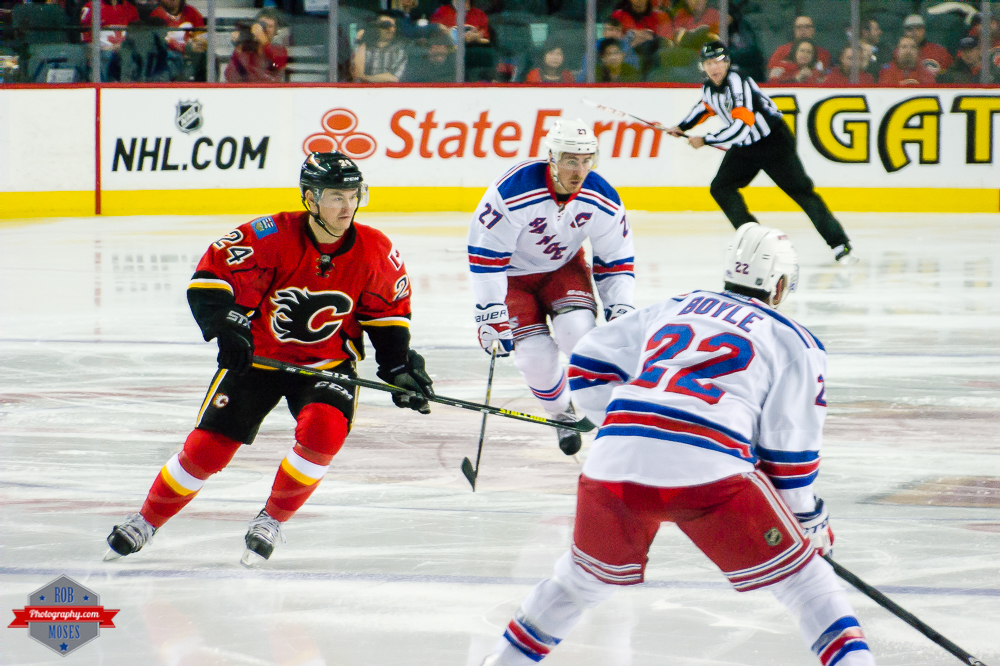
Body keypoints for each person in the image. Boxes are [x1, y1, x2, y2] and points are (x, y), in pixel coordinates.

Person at [479, 223, 876, 666]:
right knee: (805, 583)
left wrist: (623, 422)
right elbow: (790, 448)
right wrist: (807, 519)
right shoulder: (794, 340)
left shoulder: (676, 306)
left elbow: (588, 359)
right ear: (780, 285)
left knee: (578, 581)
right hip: (710, 470)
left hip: (614, 460)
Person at [104, 152, 435, 567]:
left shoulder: (376, 251)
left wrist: (399, 366)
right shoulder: (270, 235)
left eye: (353, 195)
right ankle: (146, 520)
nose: (347, 206)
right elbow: (212, 279)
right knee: (207, 449)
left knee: (324, 433)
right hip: (259, 360)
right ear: (310, 199)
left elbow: (386, 316)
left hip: (326, 365)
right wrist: (225, 324)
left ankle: (272, 520)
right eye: (336, 196)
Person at [467, 119, 635, 456]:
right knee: (534, 357)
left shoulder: (601, 196)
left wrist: (620, 307)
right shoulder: (513, 190)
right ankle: (561, 412)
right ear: (552, 158)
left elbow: (615, 258)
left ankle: (611, 414)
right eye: (571, 160)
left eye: (587, 160)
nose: (580, 171)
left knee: (579, 334)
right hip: (511, 278)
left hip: (562, 270)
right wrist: (491, 311)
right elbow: (486, 255)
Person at [666, 41, 857, 266]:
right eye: (708, 63)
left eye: (718, 62)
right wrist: (681, 127)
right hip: (745, 146)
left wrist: (706, 139)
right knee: (720, 188)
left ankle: (840, 244)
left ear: (727, 62)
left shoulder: (738, 83)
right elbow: (705, 107)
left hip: (773, 143)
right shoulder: (709, 88)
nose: (713, 68)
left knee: (801, 192)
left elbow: (741, 126)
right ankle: (755, 242)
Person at [224, 10, 287, 83]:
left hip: (270, 88)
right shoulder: (247, 51)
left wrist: (263, 41)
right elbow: (230, 77)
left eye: (270, 26)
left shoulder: (280, 50)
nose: (266, 29)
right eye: (262, 25)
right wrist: (238, 47)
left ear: (275, 30)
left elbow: (279, 62)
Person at [352, 13, 408, 83]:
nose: (391, 29)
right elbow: (357, 73)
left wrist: (366, 78)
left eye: (393, 26)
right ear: (376, 27)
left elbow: (394, 78)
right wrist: (362, 40)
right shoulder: (365, 49)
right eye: (385, 25)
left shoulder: (399, 51)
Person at [901, 14, 952, 78]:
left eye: (918, 28)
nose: (914, 32)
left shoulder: (939, 51)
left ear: (924, 31)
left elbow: (951, 75)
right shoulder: (898, 53)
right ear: (904, 32)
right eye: (910, 29)